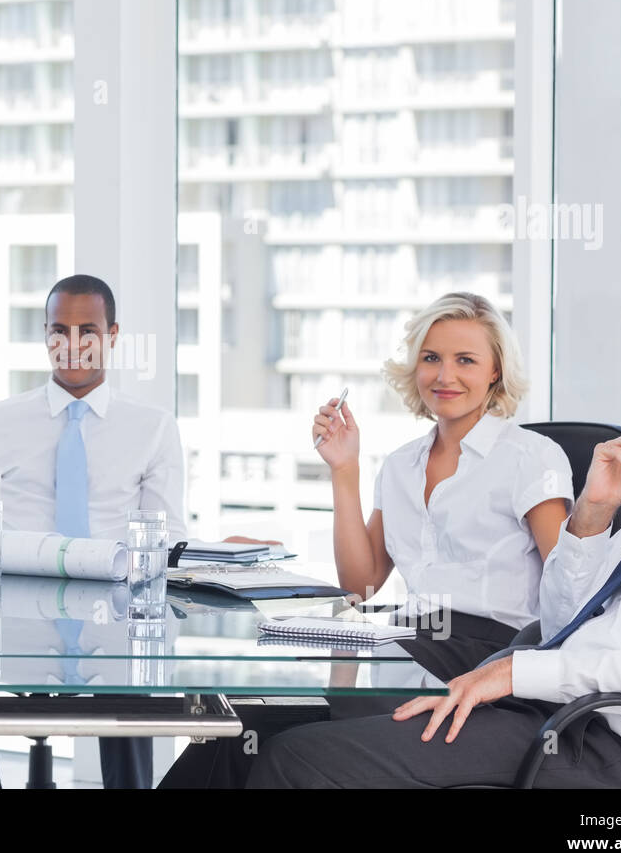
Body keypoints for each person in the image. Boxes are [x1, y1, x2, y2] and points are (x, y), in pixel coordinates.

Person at [248, 299, 621, 788]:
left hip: (615, 753)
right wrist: (594, 512)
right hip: (551, 713)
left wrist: (521, 672)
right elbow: (561, 623)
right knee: (252, 728)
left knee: (297, 758)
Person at [160, 291, 573, 787]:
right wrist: (344, 468)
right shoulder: (401, 465)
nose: (445, 376)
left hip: (485, 672)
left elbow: (569, 590)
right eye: (431, 358)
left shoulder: (531, 457)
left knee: (290, 753)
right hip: (406, 656)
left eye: (466, 360)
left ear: (495, 372)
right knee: (231, 730)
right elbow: (363, 582)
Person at [0, 274, 186, 789]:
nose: (72, 345)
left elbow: (167, 539)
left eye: (88, 331)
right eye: (60, 330)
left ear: (112, 336)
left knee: (130, 682)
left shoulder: (153, 427)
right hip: (15, 613)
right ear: (46, 335)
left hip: (115, 615)